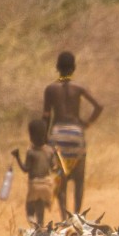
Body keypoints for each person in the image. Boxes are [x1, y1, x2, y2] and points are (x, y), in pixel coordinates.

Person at [42, 51, 104, 219]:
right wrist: (86, 123)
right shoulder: (79, 88)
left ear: (57, 68)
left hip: (57, 135)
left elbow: (46, 117)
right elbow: (99, 106)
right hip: (76, 133)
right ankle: (78, 217)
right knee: (79, 178)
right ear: (74, 68)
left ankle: (64, 217)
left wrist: (45, 140)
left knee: (60, 178)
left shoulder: (51, 89)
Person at [11, 119, 58, 226]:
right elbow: (54, 168)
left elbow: (25, 169)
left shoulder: (30, 152)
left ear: (31, 136)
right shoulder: (50, 151)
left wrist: (17, 157)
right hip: (47, 185)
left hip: (34, 185)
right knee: (41, 213)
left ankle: (34, 226)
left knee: (30, 211)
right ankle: (40, 231)